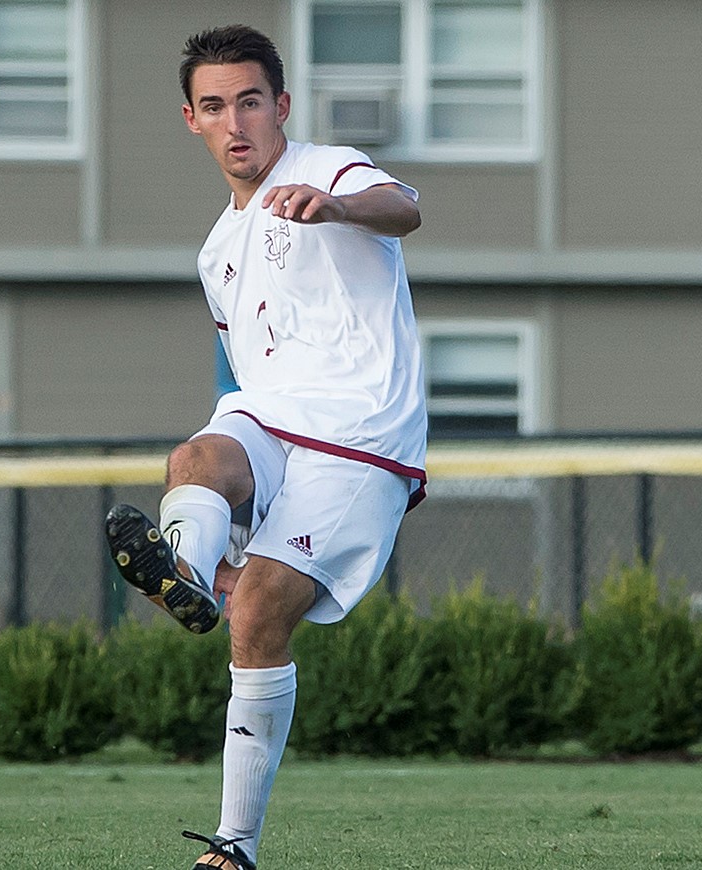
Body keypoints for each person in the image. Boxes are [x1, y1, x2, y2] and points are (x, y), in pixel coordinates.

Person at [104, 23, 427, 870]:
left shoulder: (325, 168)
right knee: (197, 460)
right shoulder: (217, 251)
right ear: (192, 120)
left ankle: (234, 845)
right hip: (273, 413)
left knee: (258, 613)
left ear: (280, 105)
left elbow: (408, 208)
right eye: (215, 106)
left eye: (250, 101)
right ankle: (188, 573)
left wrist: (344, 207)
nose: (235, 120)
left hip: (361, 438)